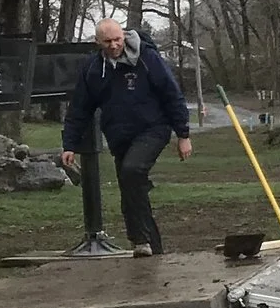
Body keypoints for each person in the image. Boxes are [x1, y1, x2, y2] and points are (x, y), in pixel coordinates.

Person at [59, 18, 192, 256]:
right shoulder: (93, 69)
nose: (113, 45)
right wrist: (69, 144)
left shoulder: (146, 58)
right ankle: (149, 246)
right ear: (98, 42)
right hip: (119, 136)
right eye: (107, 41)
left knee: (132, 171)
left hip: (154, 128)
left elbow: (171, 94)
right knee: (130, 187)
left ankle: (141, 240)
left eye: (117, 39)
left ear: (124, 36)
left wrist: (183, 134)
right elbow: (79, 109)